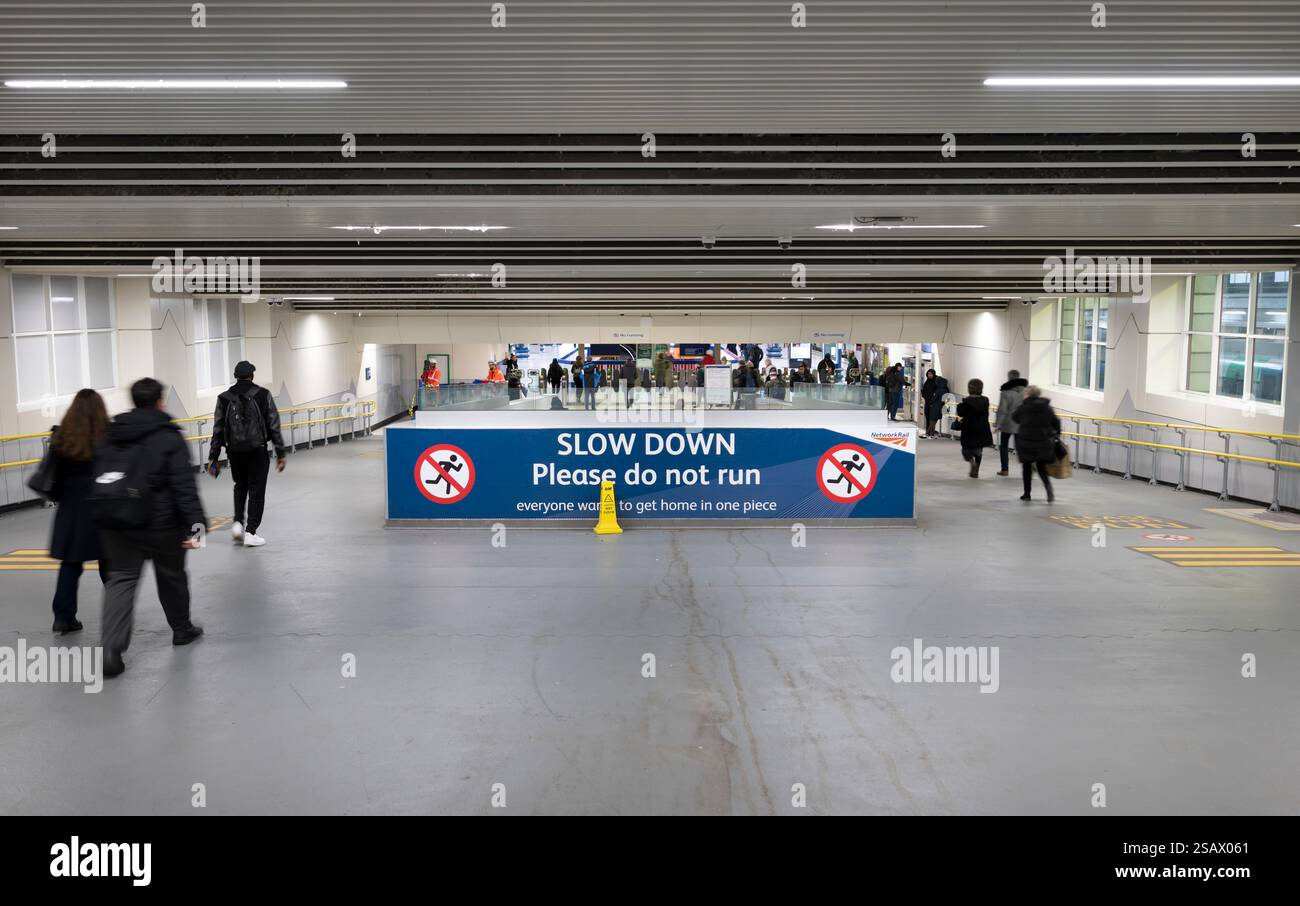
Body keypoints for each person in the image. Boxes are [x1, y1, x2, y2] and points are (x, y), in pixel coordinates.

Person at [96, 378, 206, 678]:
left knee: (120, 582)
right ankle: (181, 629)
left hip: (118, 522)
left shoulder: (112, 433)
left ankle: (110, 650)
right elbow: (185, 489)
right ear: (160, 401)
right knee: (171, 577)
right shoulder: (169, 437)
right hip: (162, 525)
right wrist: (197, 529)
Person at [46, 389, 110, 635]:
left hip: (72, 508)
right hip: (102, 505)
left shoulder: (61, 438)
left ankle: (63, 618)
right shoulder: (107, 436)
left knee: (71, 565)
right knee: (110, 566)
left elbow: (55, 480)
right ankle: (115, 617)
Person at [207, 361, 286, 548]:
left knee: (240, 486)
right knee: (256, 489)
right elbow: (273, 425)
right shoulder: (262, 395)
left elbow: (218, 429)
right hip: (257, 450)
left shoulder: (224, 398)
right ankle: (251, 532)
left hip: (234, 451)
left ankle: (237, 525)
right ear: (252, 375)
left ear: (235, 376)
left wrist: (214, 457)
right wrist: (281, 453)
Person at [1011, 386, 1061, 502]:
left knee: (1026, 467)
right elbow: (1056, 422)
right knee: (1041, 466)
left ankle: (1027, 493)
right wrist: (1057, 433)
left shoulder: (1023, 407)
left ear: (1027, 394)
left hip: (1026, 441)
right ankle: (1048, 488)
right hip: (1043, 441)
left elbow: (1015, 418)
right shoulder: (1047, 407)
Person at [954, 379, 994, 478]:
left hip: (969, 429)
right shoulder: (986, 400)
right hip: (982, 428)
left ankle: (971, 462)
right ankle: (976, 470)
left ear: (969, 389)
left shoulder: (966, 401)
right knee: (979, 451)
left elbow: (960, 413)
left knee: (966, 450)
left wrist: (960, 405)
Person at [994, 369, 1028, 476]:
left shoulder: (1005, 392)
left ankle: (1005, 469)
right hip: (1022, 424)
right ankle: (1028, 469)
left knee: (1004, 446)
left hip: (1008, 424)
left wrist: (997, 424)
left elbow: (1002, 410)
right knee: (1021, 447)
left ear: (1008, 377)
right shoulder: (1026, 391)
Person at [920, 369, 950, 438]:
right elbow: (924, 390)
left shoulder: (939, 387)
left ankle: (929, 433)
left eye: (931, 374)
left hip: (933, 405)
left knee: (932, 419)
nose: (929, 375)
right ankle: (929, 432)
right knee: (930, 418)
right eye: (928, 374)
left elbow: (936, 396)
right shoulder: (927, 382)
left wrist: (931, 402)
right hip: (930, 403)